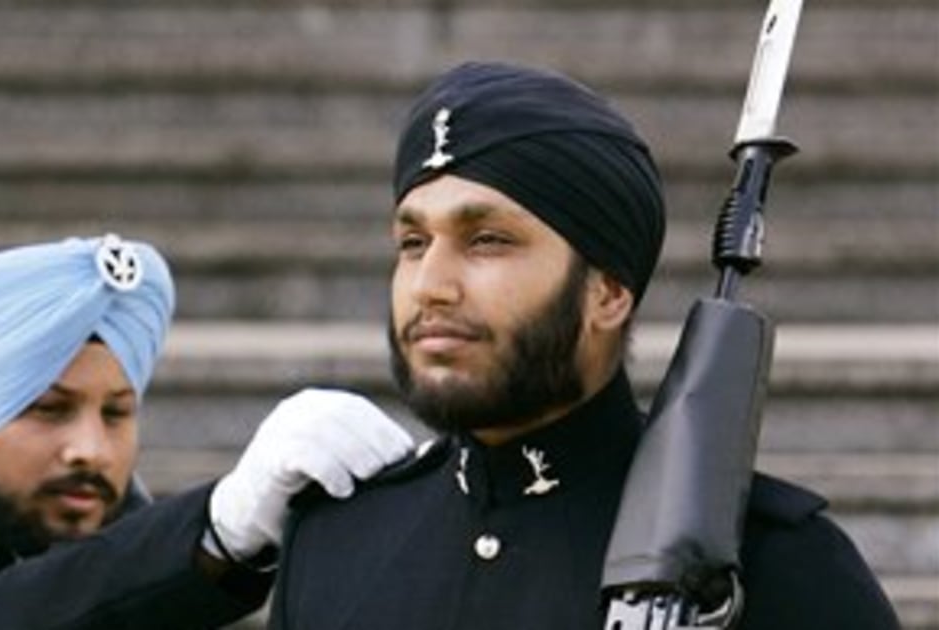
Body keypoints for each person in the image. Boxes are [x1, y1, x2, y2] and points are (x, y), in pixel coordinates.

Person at [265, 62, 900, 629]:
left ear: (608, 294)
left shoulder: (777, 565)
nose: (429, 285)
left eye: (487, 240)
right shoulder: (335, 542)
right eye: (413, 243)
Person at [0, 234, 413, 629]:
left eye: (116, 413)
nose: (90, 450)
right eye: (48, 409)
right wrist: (210, 533)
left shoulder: (163, 597)